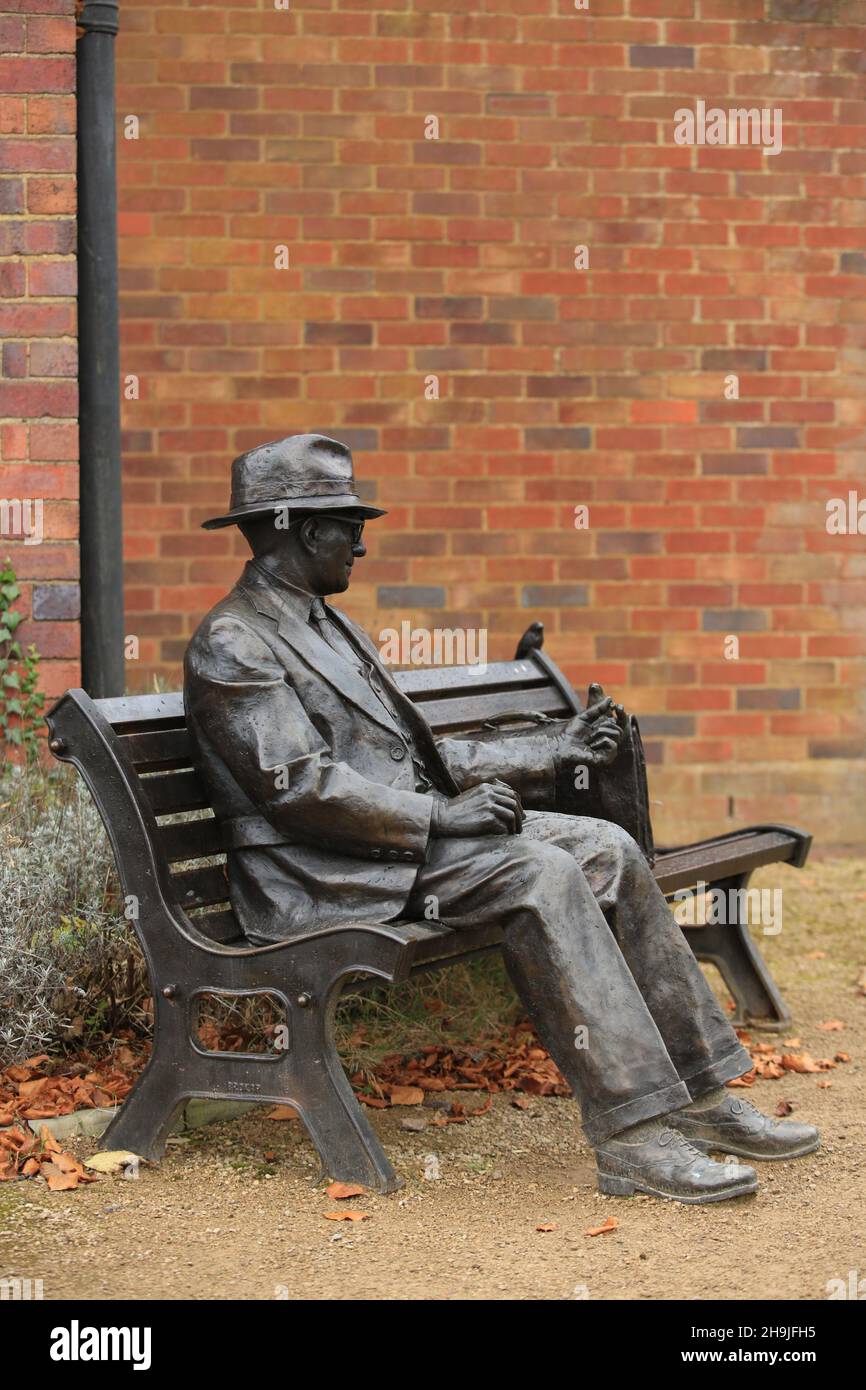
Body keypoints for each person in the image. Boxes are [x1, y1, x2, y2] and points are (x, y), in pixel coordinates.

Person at [184, 433, 820, 1204]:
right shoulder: (232, 640)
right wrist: (443, 819)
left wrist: (555, 750)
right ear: (296, 527)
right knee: (542, 871)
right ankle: (632, 1136)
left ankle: (705, 1097)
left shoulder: (330, 625)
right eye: (346, 523)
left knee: (609, 850)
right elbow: (300, 790)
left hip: (393, 848)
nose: (361, 541)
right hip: (323, 871)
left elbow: (421, 757)